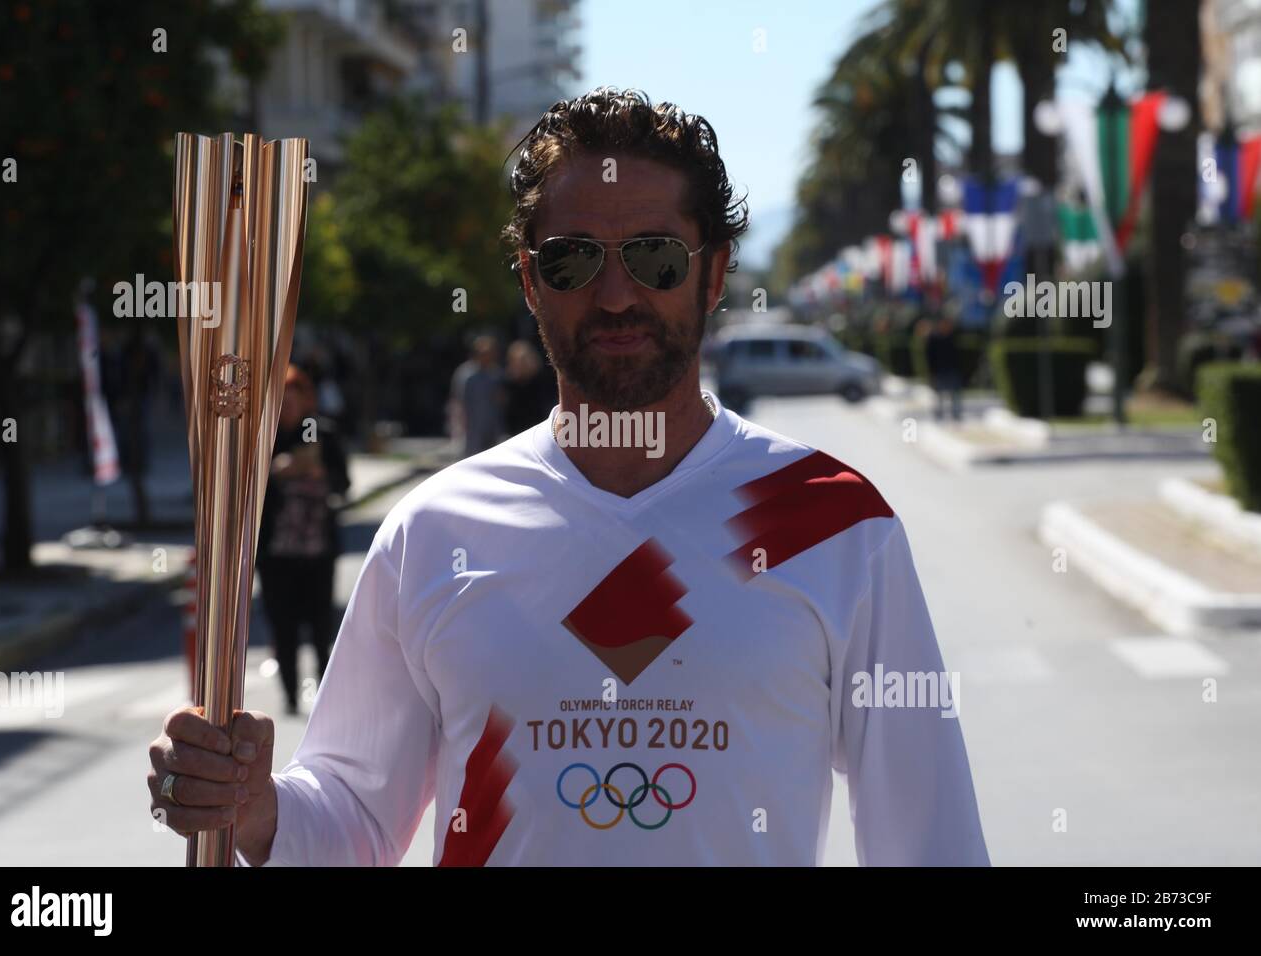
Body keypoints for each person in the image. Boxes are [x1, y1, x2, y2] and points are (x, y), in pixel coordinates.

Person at [149, 87, 989, 867]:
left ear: (715, 271)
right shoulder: (436, 531)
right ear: (529, 280)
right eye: (573, 260)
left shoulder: (830, 523)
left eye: (656, 258)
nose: (616, 294)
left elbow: (931, 835)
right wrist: (255, 807)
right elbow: (353, 816)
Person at [254, 363, 350, 715]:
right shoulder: (262, 438)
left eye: (294, 400)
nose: (289, 408)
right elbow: (243, 490)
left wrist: (320, 471)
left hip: (316, 548)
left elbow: (344, 483)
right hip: (276, 550)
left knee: (321, 624)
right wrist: (274, 470)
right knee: (283, 625)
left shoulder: (320, 432)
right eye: (282, 401)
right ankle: (291, 696)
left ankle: (326, 698)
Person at [448, 334, 506, 456]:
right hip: (471, 427)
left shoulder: (496, 374)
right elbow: (457, 402)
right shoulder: (466, 375)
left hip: (492, 426)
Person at [502, 338, 558, 435]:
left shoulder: (545, 381)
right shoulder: (509, 386)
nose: (522, 365)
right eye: (518, 361)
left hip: (542, 432)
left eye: (525, 360)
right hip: (518, 435)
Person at [925, 312, 963, 422]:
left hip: (952, 370)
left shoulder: (953, 337)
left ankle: (956, 415)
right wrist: (931, 372)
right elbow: (930, 357)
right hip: (939, 371)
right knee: (938, 395)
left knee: (955, 394)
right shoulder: (933, 338)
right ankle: (938, 416)